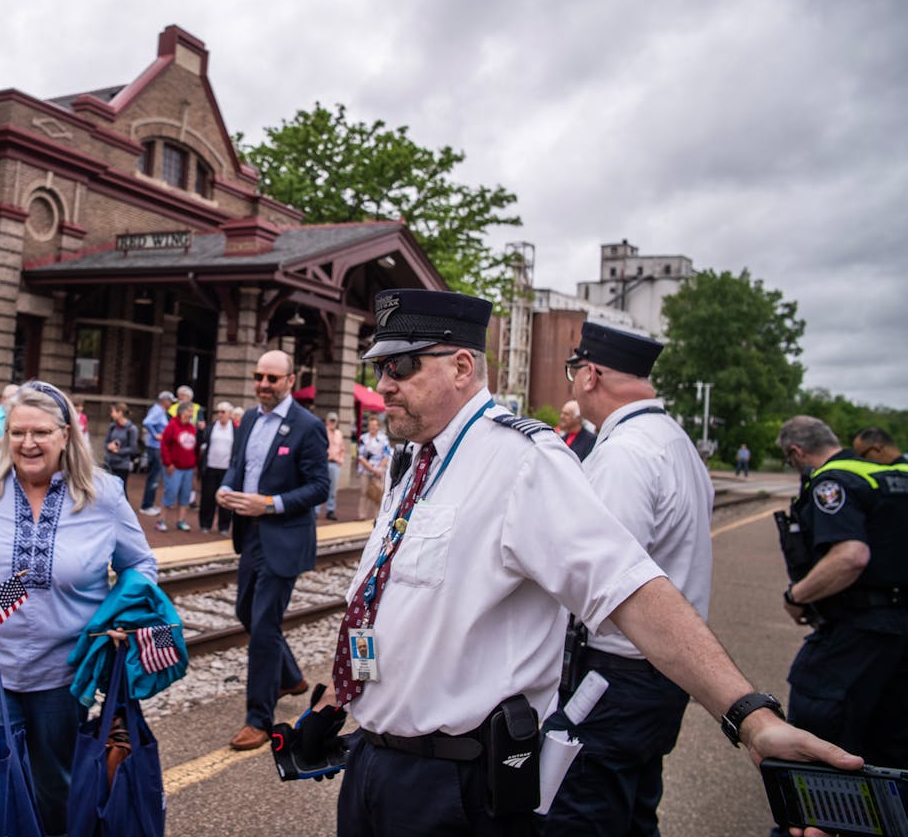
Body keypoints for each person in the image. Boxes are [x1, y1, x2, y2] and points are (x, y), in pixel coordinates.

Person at [305, 289, 856, 837]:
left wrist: (751, 718)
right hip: (373, 763)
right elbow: (386, 598)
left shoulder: (523, 461)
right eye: (380, 367)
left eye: (401, 365)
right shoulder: (420, 460)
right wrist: (340, 695)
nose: (384, 385)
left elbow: (629, 590)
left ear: (462, 366)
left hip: (451, 787)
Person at [0, 379, 157, 836]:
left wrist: (122, 616)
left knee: (55, 786)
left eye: (41, 432)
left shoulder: (103, 494)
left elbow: (140, 563)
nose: (28, 443)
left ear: (66, 434)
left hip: (63, 673)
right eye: (18, 432)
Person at [540, 321, 714, 836]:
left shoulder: (623, 453)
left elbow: (595, 573)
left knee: (581, 813)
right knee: (634, 810)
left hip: (614, 676)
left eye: (574, 372)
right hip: (656, 673)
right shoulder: (674, 441)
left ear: (589, 374)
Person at [775, 415, 908, 767]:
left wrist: (797, 596)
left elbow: (850, 556)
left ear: (796, 452)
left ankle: (808, 819)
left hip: (860, 627)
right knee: (890, 743)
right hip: (900, 634)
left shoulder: (831, 483)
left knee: (816, 721)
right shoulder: (891, 475)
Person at [215, 349, 330, 750]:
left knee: (263, 625)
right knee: (245, 611)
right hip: (250, 535)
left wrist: (268, 504)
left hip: (284, 537)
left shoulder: (307, 426)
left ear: (290, 381)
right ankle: (290, 677)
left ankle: (258, 719)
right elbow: (238, 465)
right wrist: (227, 488)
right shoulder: (248, 419)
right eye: (259, 376)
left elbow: (320, 487)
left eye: (272, 379)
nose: (264, 385)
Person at [159, 400, 199, 532]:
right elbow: (164, 445)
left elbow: (195, 448)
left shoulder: (192, 428)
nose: (191, 415)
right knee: (170, 492)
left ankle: (181, 520)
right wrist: (168, 463)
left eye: (192, 412)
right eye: (189, 412)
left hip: (188, 467)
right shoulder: (172, 426)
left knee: (185, 495)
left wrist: (195, 464)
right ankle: (161, 520)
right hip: (174, 467)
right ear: (182, 412)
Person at [199, 401, 236, 535]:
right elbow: (202, 442)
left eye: (223, 412)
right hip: (210, 467)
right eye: (218, 412)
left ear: (230, 415)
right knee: (208, 497)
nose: (219, 414)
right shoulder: (211, 427)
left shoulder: (235, 430)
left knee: (225, 498)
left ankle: (224, 526)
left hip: (226, 469)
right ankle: (205, 524)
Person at [138, 391, 173, 516]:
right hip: (155, 447)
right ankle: (146, 505)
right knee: (154, 477)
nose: (171, 404)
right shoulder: (158, 411)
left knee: (154, 476)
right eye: (170, 401)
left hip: (156, 447)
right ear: (165, 401)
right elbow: (147, 422)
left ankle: (149, 504)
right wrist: (155, 435)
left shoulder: (159, 410)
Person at [355, 415, 389, 520]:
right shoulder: (363, 438)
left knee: (378, 494)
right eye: (371, 425)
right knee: (364, 492)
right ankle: (362, 515)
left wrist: (378, 469)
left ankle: (377, 517)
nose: (372, 427)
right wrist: (372, 469)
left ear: (378, 426)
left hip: (379, 471)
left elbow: (387, 455)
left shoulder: (383, 439)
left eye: (375, 425)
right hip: (365, 470)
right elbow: (360, 456)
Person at [103, 401, 139, 487]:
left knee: (120, 490)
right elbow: (105, 443)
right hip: (109, 464)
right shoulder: (112, 427)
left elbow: (133, 449)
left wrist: (118, 451)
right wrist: (109, 446)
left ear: (120, 413)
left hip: (122, 465)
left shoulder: (132, 429)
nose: (111, 414)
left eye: (113, 411)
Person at [321, 411, 345, 520]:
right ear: (327, 421)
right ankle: (316, 510)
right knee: (320, 486)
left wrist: (340, 460)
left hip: (335, 463)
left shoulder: (339, 434)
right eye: (330, 420)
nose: (332, 422)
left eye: (334, 421)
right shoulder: (322, 432)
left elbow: (342, 449)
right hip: (324, 462)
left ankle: (330, 510)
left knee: (333, 489)